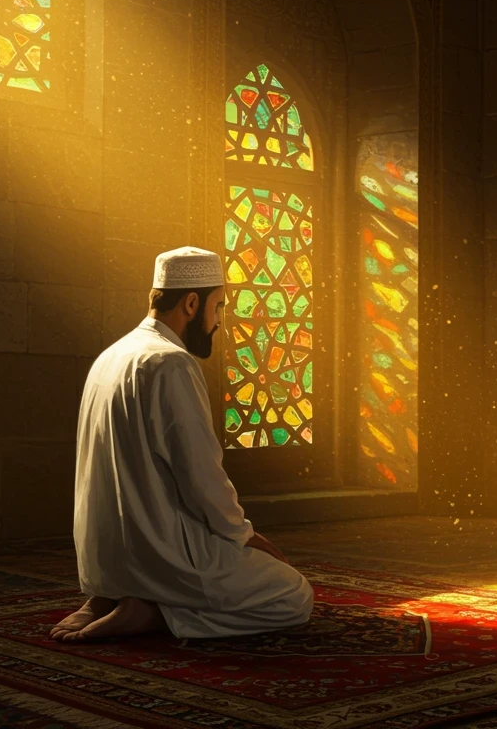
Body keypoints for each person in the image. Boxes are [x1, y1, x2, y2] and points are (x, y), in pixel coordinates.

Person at [50, 246, 314, 642]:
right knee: (294, 594)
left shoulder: (111, 356)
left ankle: (108, 598)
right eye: (219, 307)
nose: (220, 321)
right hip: (163, 554)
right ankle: (157, 612)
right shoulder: (170, 362)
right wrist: (242, 534)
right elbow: (200, 475)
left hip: (107, 563)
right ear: (192, 303)